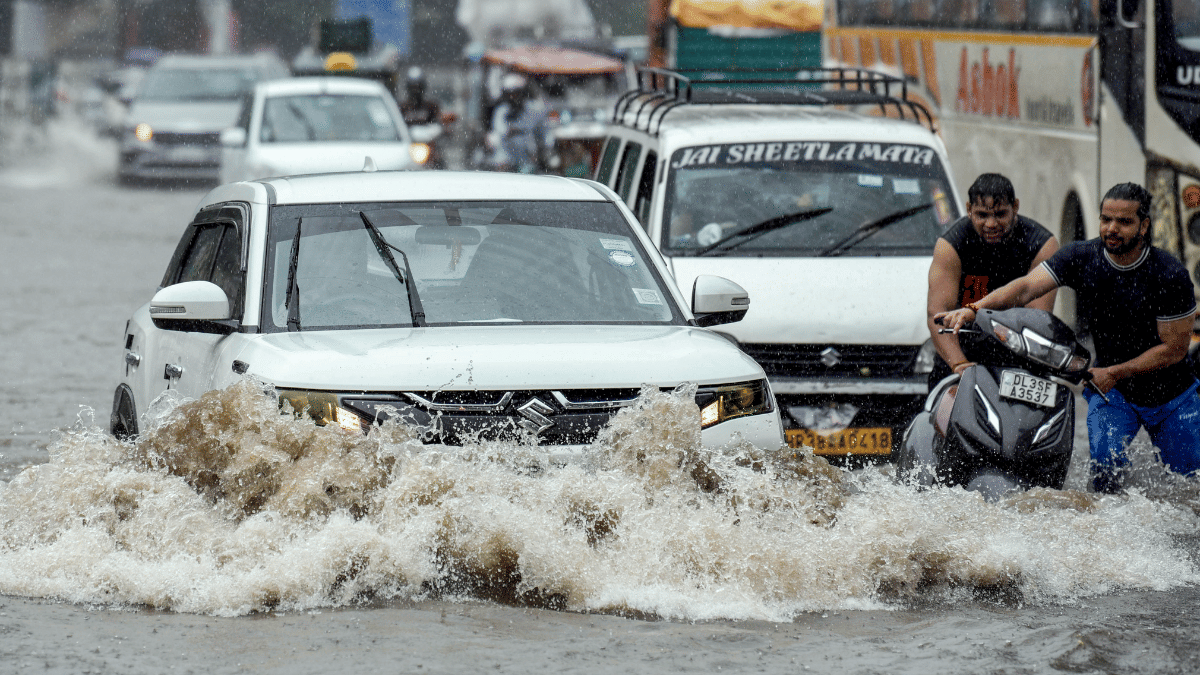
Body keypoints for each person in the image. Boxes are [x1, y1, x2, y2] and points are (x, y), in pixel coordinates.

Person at [936, 182, 1200, 493]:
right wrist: (974, 309)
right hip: (1112, 395)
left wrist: (1114, 372)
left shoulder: (1169, 274)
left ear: (1144, 225)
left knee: (1189, 487)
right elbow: (1024, 287)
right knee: (1106, 477)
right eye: (1106, 219)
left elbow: (1174, 349)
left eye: (1124, 222)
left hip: (1172, 397)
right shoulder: (1082, 257)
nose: (1112, 229)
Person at [927, 173, 1059, 387]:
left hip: (1019, 351)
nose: (991, 224)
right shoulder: (951, 245)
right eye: (981, 215)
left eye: (1000, 214)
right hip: (963, 347)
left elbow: (1037, 320)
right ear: (969, 209)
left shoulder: (1041, 244)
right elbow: (937, 315)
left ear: (1015, 207)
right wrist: (959, 363)